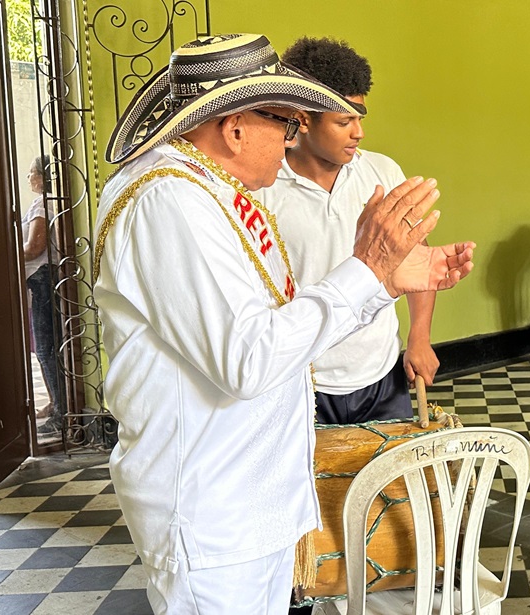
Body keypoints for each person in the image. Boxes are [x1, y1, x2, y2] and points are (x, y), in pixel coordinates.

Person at [92, 34, 474, 613]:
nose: (291, 138)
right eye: (285, 122)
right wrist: (366, 268)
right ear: (234, 128)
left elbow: (280, 324)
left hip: (252, 496)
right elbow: (249, 360)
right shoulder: (170, 201)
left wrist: (382, 284)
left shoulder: (213, 191)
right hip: (213, 509)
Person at [258, 37, 436, 426]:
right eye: (344, 122)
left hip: (381, 374)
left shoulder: (382, 172)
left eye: (360, 119)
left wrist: (419, 338)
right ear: (303, 119)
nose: (359, 133)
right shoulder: (262, 187)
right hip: (301, 378)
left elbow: (417, 262)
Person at [20, 155, 68, 438]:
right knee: (49, 346)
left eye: (31, 173)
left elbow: (35, 246)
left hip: (43, 279)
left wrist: (8, 250)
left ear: (42, 177)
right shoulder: (50, 202)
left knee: (46, 348)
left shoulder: (42, 203)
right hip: (46, 279)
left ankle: (61, 412)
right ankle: (55, 403)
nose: (29, 178)